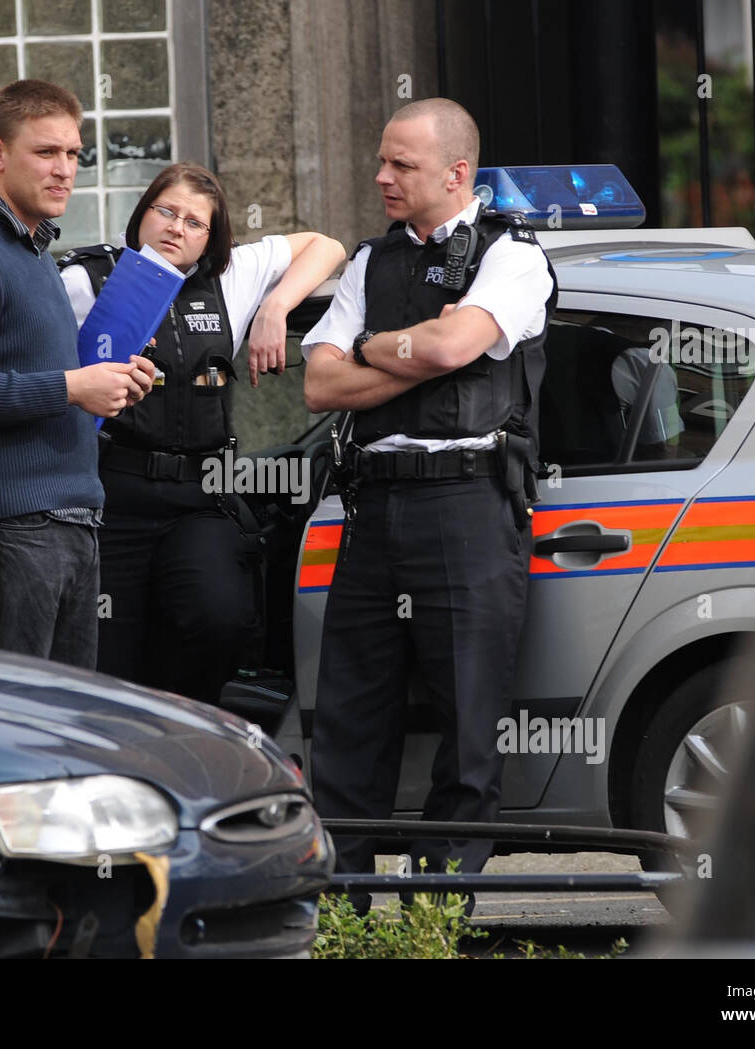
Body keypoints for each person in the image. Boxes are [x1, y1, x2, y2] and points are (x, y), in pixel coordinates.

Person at [301, 98, 557, 907]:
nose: (381, 176)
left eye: (400, 165)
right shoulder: (371, 263)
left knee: (466, 729)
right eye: (381, 161)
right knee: (348, 726)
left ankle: (434, 921)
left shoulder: (512, 256)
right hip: (372, 511)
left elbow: (453, 345)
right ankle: (344, 917)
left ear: (457, 174)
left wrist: (377, 347)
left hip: (467, 507)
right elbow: (318, 384)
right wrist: (416, 351)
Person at [58, 162, 345, 702]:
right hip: (110, 497)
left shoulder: (231, 278)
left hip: (199, 499)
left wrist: (275, 307)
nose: (177, 228)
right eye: (167, 212)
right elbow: (38, 370)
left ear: (211, 238)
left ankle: (184, 721)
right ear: (142, 213)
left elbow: (326, 245)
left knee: (221, 618)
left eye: (195, 223)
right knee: (108, 654)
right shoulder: (85, 280)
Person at [0, 80, 154, 668]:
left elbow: (34, 384)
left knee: (62, 730)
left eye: (73, 154)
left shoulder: (35, 253)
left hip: (65, 521)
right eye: (46, 153)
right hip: (6, 529)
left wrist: (106, 382)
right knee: (15, 729)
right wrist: (75, 386)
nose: (65, 169)